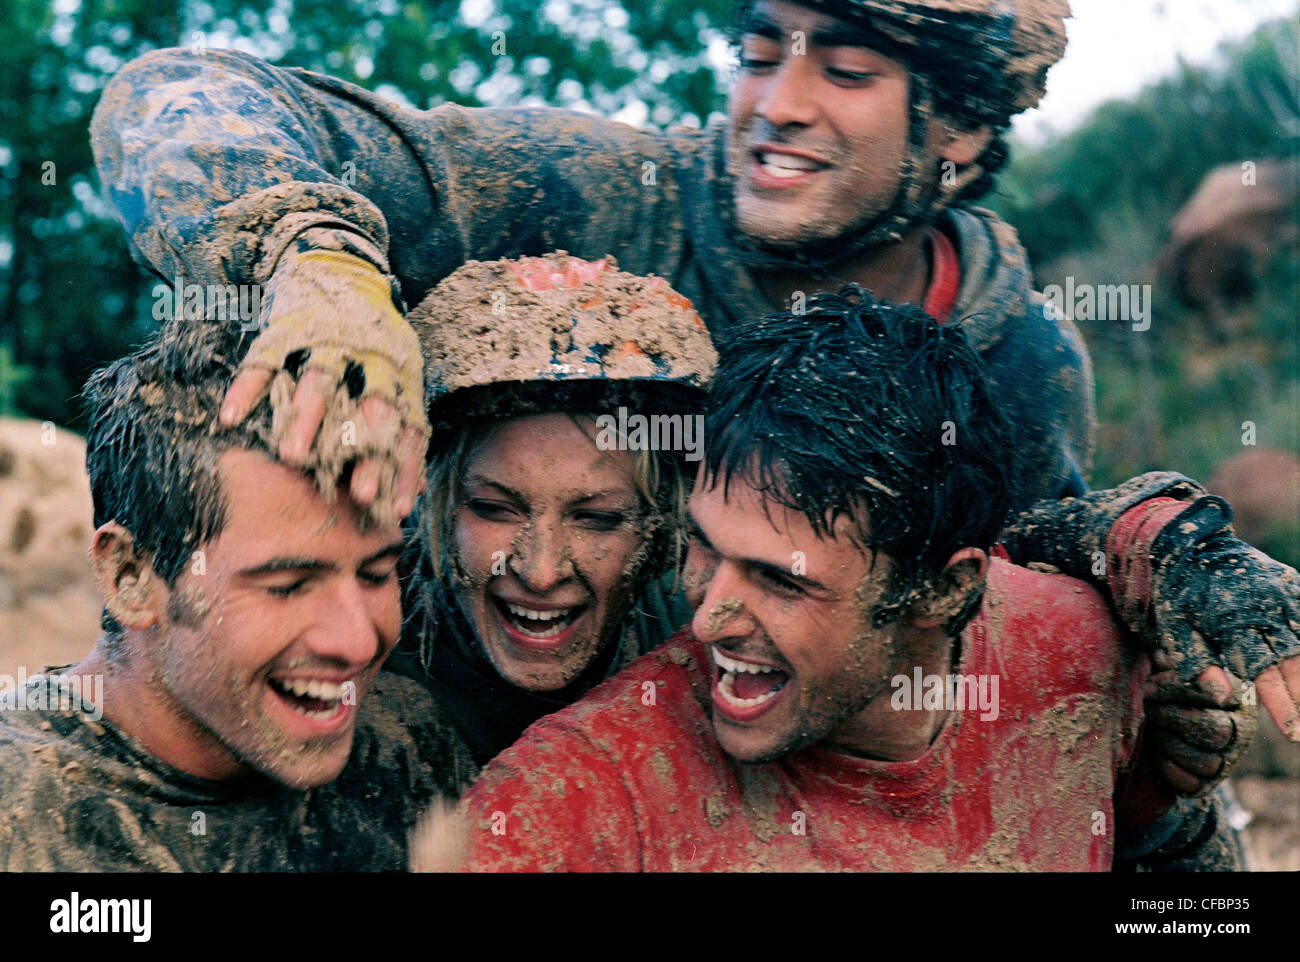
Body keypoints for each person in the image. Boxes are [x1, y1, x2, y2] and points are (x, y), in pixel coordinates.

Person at [88, 0, 1299, 753]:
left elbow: (1003, 592)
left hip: (719, 778)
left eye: (847, 70)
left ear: (962, 133)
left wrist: (1162, 552)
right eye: (763, 49)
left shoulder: (1018, 355)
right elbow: (177, 94)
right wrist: (317, 260)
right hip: (397, 738)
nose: (775, 104)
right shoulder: (608, 187)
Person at [421, 292, 1225, 872]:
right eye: (706, 549)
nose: (708, 622)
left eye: (781, 581)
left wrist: (1155, 787)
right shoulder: (571, 801)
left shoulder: (1085, 648)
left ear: (946, 592)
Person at [0, 320, 473, 871]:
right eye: (288, 587)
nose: (357, 641)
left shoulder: (409, 750)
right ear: (130, 577)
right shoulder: (18, 817)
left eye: (374, 574)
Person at [389, 252, 715, 764]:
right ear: (432, 502)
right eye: (494, 509)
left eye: (597, 519)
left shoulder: (706, 653)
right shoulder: (361, 661)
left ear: (660, 532)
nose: (540, 573)